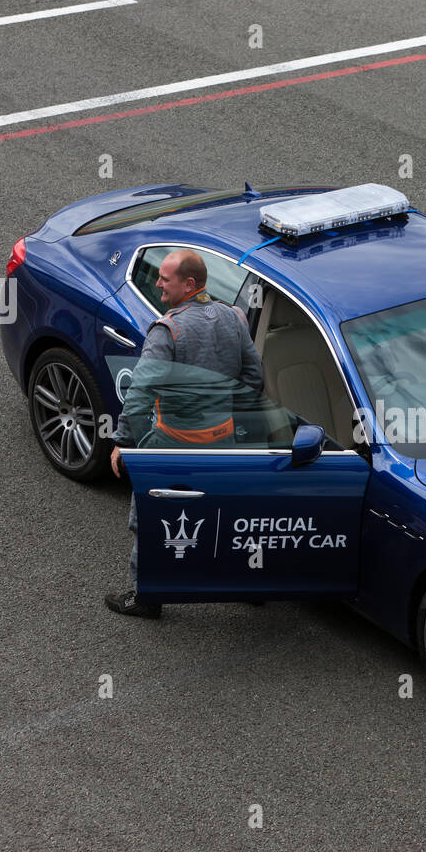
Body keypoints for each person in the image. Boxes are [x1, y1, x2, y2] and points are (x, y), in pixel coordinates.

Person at [105, 249, 264, 618]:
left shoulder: (168, 330)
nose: (158, 283)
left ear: (189, 284)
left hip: (173, 444)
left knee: (148, 516)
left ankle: (148, 597)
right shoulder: (235, 318)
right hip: (223, 441)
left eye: (165, 278)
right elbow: (253, 378)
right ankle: (247, 583)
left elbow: (141, 390)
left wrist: (124, 442)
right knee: (226, 513)